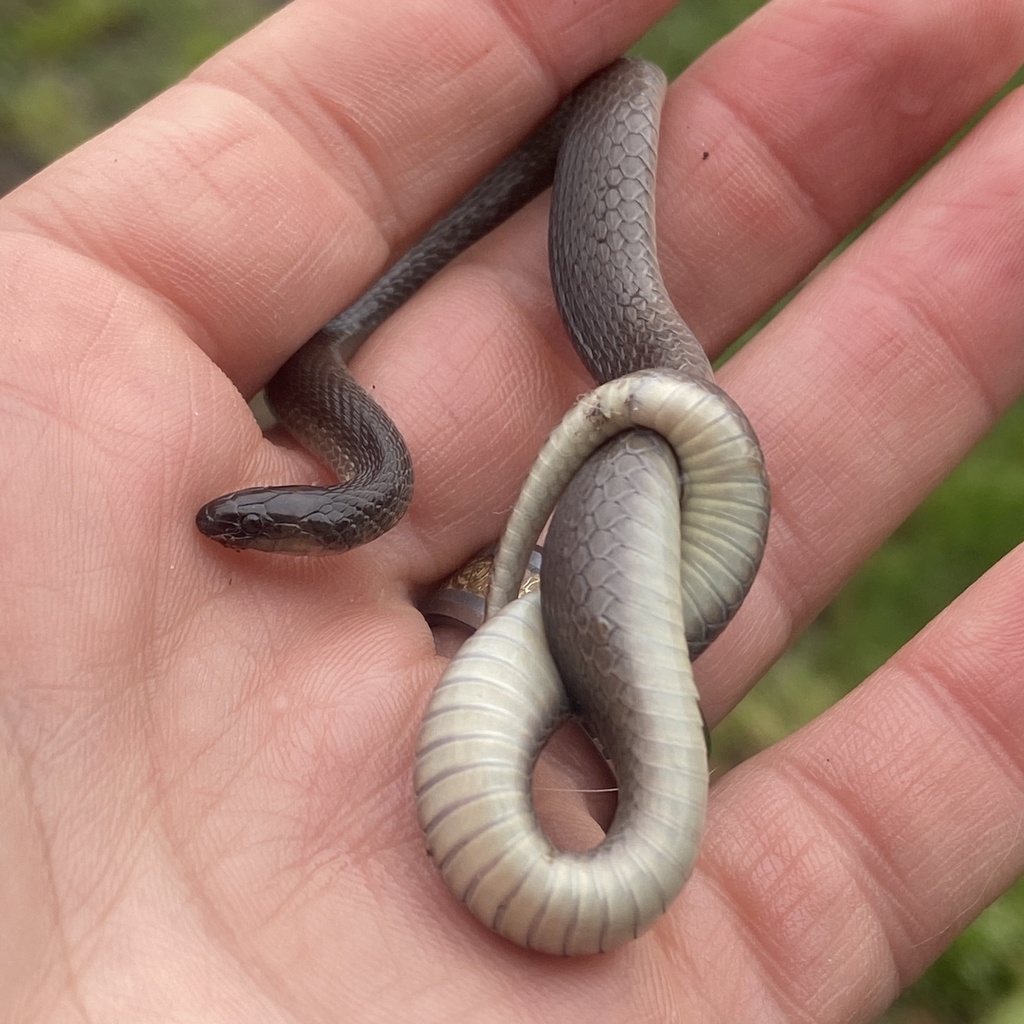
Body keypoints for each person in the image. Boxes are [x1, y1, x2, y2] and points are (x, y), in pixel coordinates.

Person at [2, 0, 1022, 1019]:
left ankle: (598, 114)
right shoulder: (363, 460)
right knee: (655, 387)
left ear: (314, 524)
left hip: (609, 493)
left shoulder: (390, 469)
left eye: (249, 526)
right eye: (248, 526)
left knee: (649, 313)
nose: (233, 532)